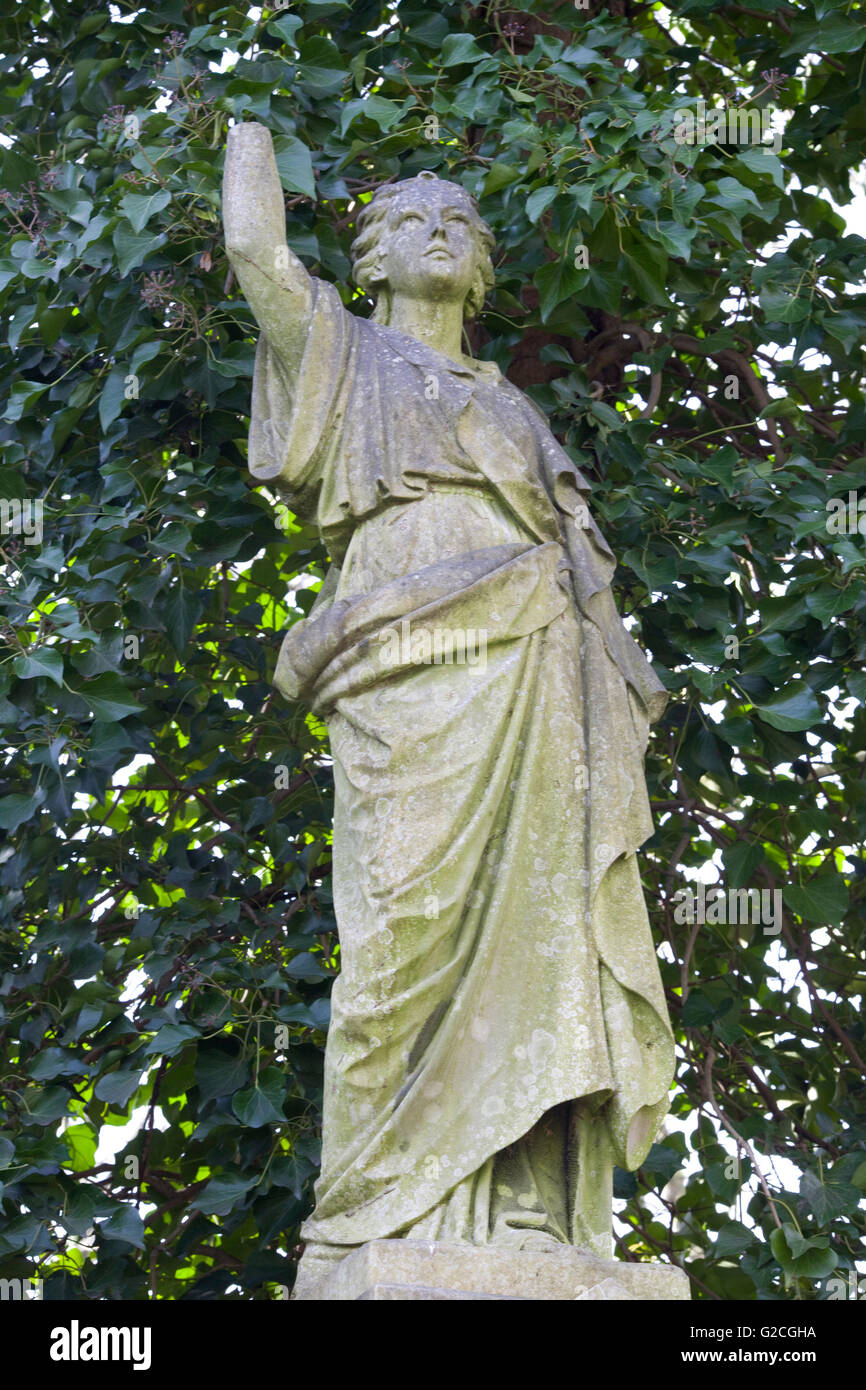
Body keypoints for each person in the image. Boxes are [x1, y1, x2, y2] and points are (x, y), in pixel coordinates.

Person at [222, 123, 676, 1298]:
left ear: (479, 267)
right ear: (370, 256)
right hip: (402, 658)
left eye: (458, 223)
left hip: (534, 668)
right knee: (399, 921)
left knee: (540, 927)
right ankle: (371, 1209)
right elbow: (256, 256)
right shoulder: (344, 352)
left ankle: (520, 1209)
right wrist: (248, 141)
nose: (437, 232)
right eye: (411, 219)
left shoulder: (516, 408)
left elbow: (575, 561)